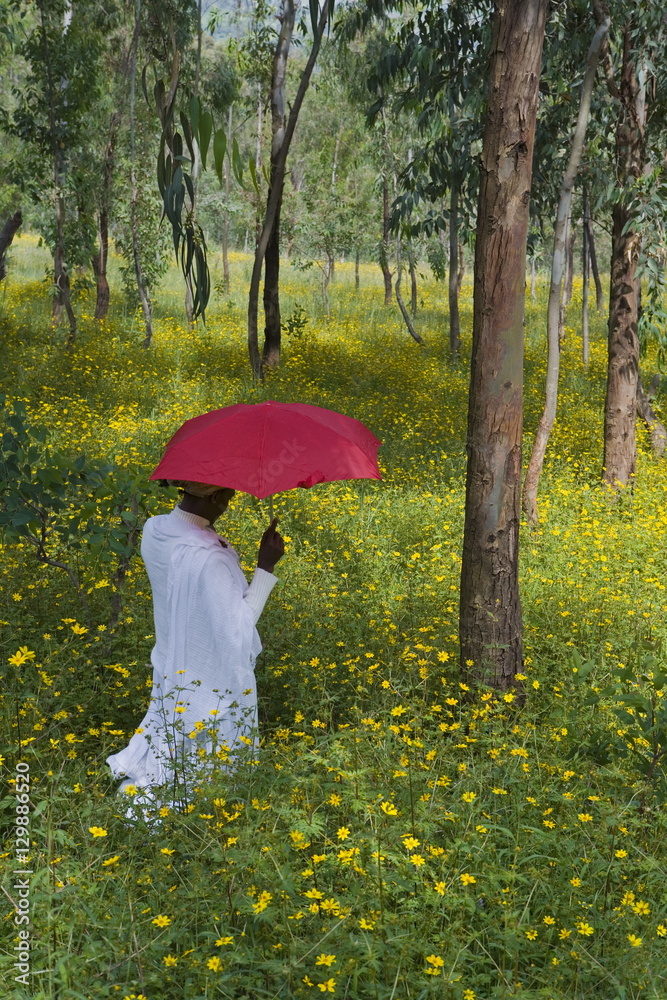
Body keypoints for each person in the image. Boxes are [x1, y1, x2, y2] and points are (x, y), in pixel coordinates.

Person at [106, 480, 284, 812]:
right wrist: (266, 566)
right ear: (216, 496)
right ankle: (209, 805)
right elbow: (238, 630)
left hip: (171, 658)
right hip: (208, 672)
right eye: (229, 495)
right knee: (206, 747)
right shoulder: (207, 557)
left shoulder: (156, 528)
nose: (229, 503)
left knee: (173, 728)